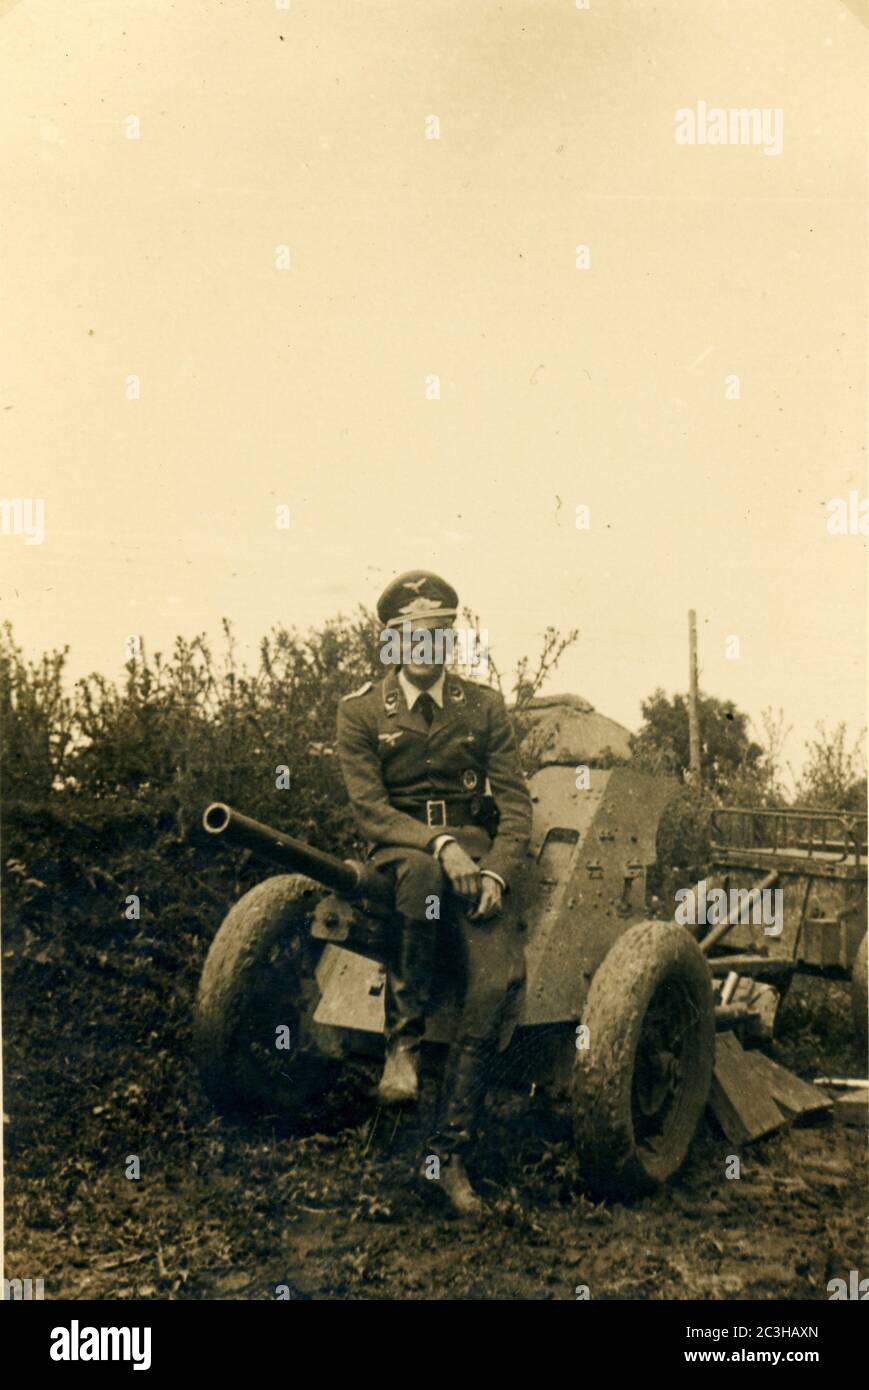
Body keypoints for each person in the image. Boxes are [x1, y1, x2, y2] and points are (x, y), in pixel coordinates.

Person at [336, 570, 532, 1215]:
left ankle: (449, 1154)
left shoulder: (483, 708)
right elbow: (371, 811)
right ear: (391, 642)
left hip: (478, 859)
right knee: (421, 877)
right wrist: (437, 844)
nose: (432, 647)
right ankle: (404, 1048)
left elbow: (516, 806)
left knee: (493, 983)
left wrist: (497, 872)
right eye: (418, 636)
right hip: (403, 857)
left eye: (443, 634)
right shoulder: (361, 711)